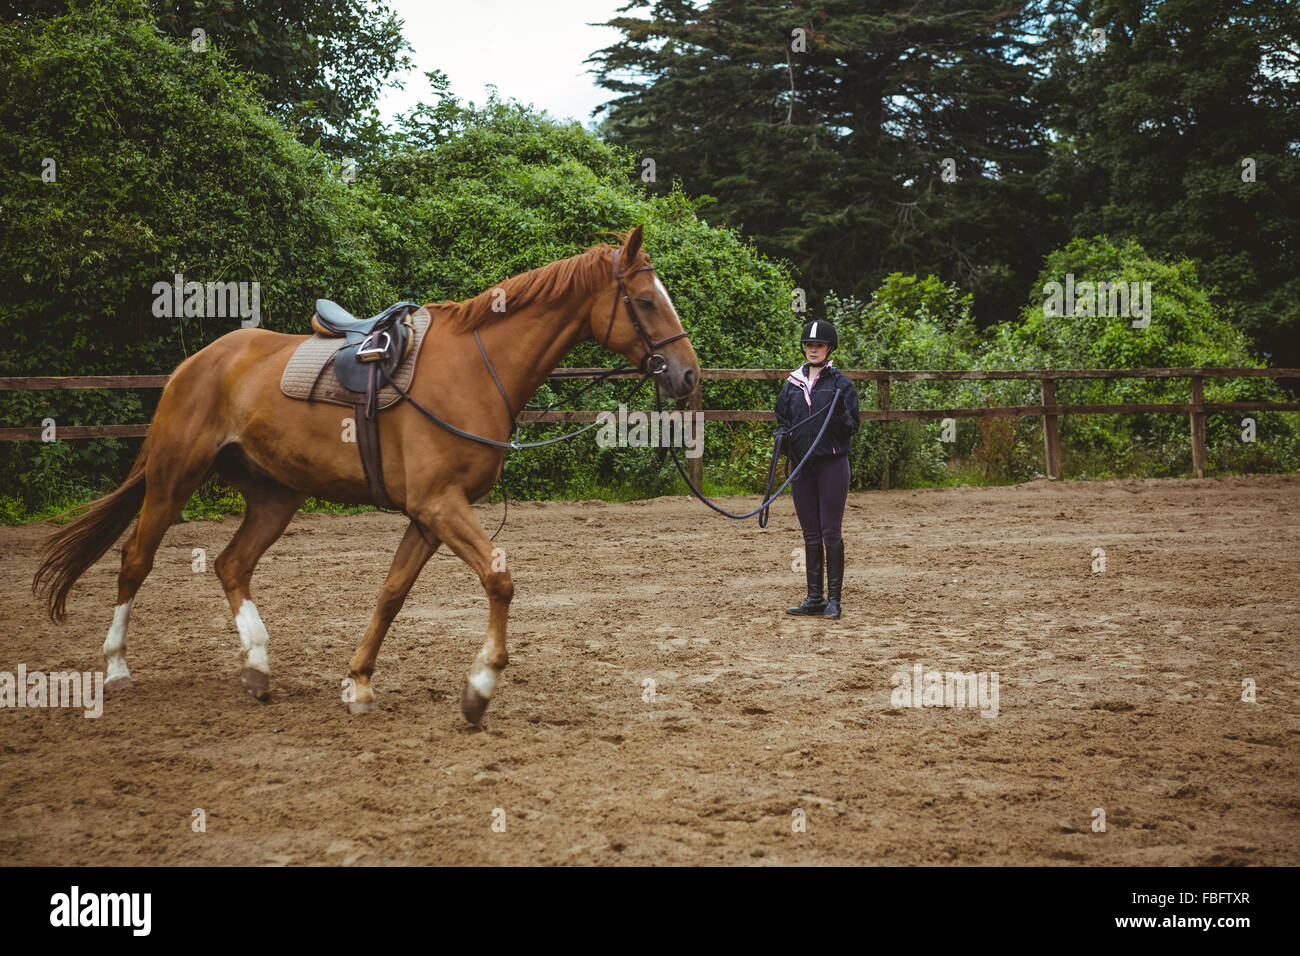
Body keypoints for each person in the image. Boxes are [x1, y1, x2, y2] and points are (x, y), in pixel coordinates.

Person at [774, 319, 861, 619]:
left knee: (830, 532)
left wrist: (837, 416)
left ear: (829, 349)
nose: (813, 349)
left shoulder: (841, 385)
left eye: (819, 345)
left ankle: (834, 600)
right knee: (810, 533)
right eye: (809, 345)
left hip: (832, 464)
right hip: (802, 467)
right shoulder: (792, 385)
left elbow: (852, 427)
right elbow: (783, 420)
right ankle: (814, 598)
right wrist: (782, 439)